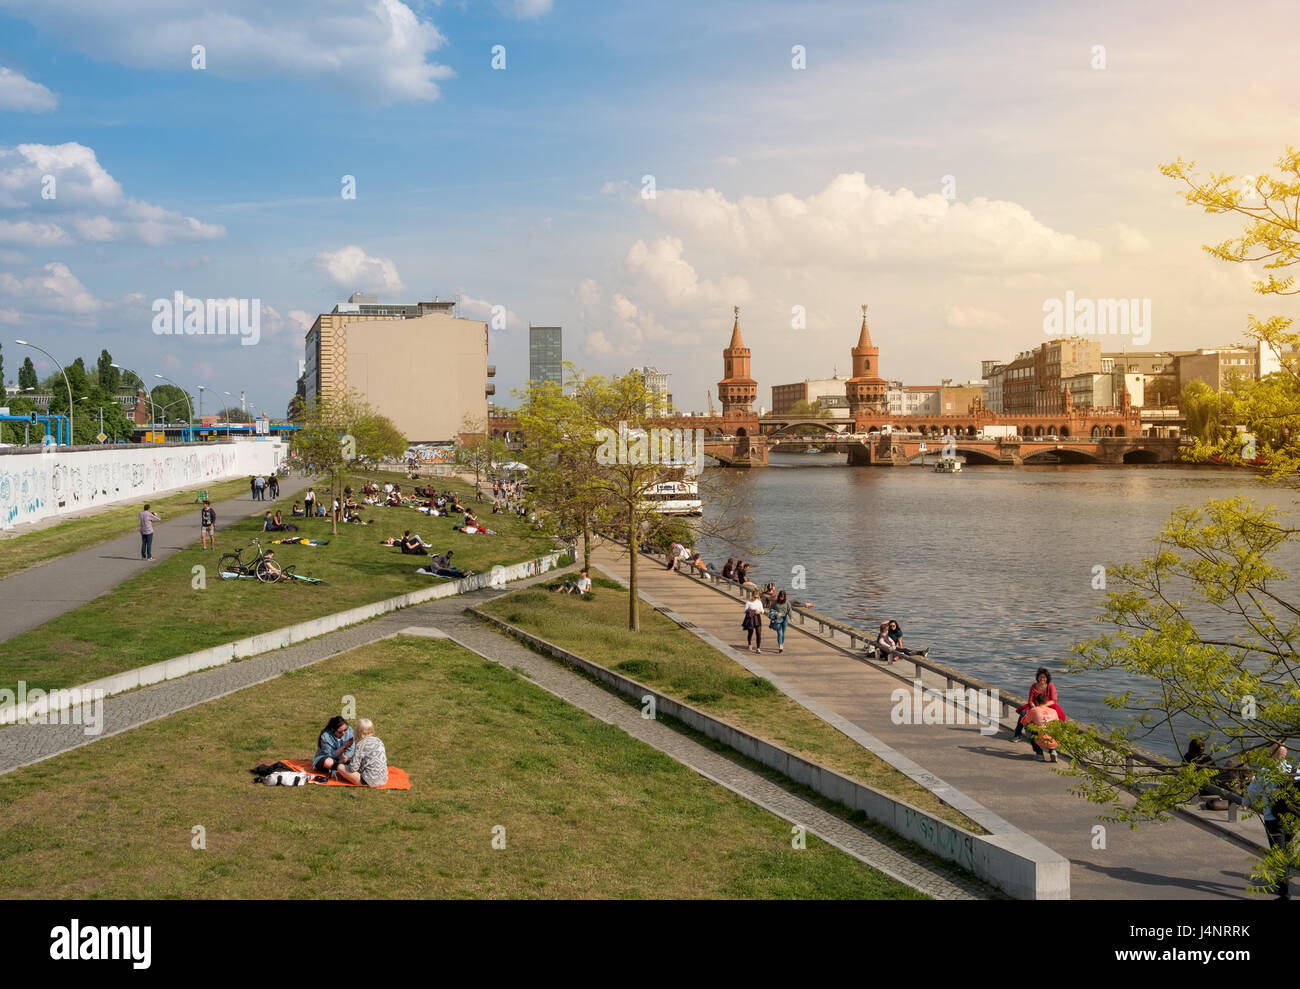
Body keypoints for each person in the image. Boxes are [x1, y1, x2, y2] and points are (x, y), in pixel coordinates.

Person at [1246, 744, 1298, 899]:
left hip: (1273, 817)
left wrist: (1246, 802)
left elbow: (1252, 792)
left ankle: (1284, 892)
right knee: (1287, 851)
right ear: (1285, 753)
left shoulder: (1265, 772)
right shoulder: (1295, 771)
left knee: (1278, 854)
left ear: (1271, 753)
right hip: (1291, 817)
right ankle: (1283, 883)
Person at [336, 718, 389, 787]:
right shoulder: (379, 741)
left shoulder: (361, 744)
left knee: (340, 767)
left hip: (369, 781)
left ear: (358, 731)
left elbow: (353, 768)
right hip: (383, 779)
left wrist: (346, 764)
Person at [1013, 669, 1059, 741]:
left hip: (1048, 706)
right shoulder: (1034, 686)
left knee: (1056, 716)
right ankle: (1017, 735)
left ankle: (1054, 738)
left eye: (1044, 677)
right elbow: (1030, 700)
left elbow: (1053, 700)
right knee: (1023, 713)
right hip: (1034, 705)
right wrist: (1035, 708)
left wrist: (1042, 707)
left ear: (1047, 678)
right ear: (1037, 677)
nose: (1042, 679)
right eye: (1040, 677)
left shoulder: (1050, 686)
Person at [1023, 694, 1062, 763]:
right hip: (1053, 740)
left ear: (1037, 702)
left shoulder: (1034, 710)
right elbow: (1058, 725)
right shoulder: (1053, 711)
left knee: (1029, 728)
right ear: (1046, 702)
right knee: (1052, 730)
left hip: (1041, 738)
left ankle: (1039, 754)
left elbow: (1025, 723)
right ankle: (1053, 751)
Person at [769, 589, 792, 653]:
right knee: (780, 633)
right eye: (781, 596)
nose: (782, 598)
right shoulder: (775, 602)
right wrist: (776, 614)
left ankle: (782, 643)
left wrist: (791, 617)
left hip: (784, 619)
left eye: (783, 597)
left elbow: (789, 609)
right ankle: (780, 646)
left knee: (783, 634)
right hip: (777, 620)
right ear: (779, 596)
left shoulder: (787, 602)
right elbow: (771, 610)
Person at [742, 589, 765, 653]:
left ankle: (758, 648)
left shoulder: (759, 602)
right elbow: (745, 611)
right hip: (751, 619)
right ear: (752, 596)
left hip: (757, 618)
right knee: (750, 632)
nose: (756, 598)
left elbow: (763, 611)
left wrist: (759, 611)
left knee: (758, 633)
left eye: (757, 597)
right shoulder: (748, 602)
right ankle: (749, 643)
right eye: (755, 597)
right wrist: (752, 611)